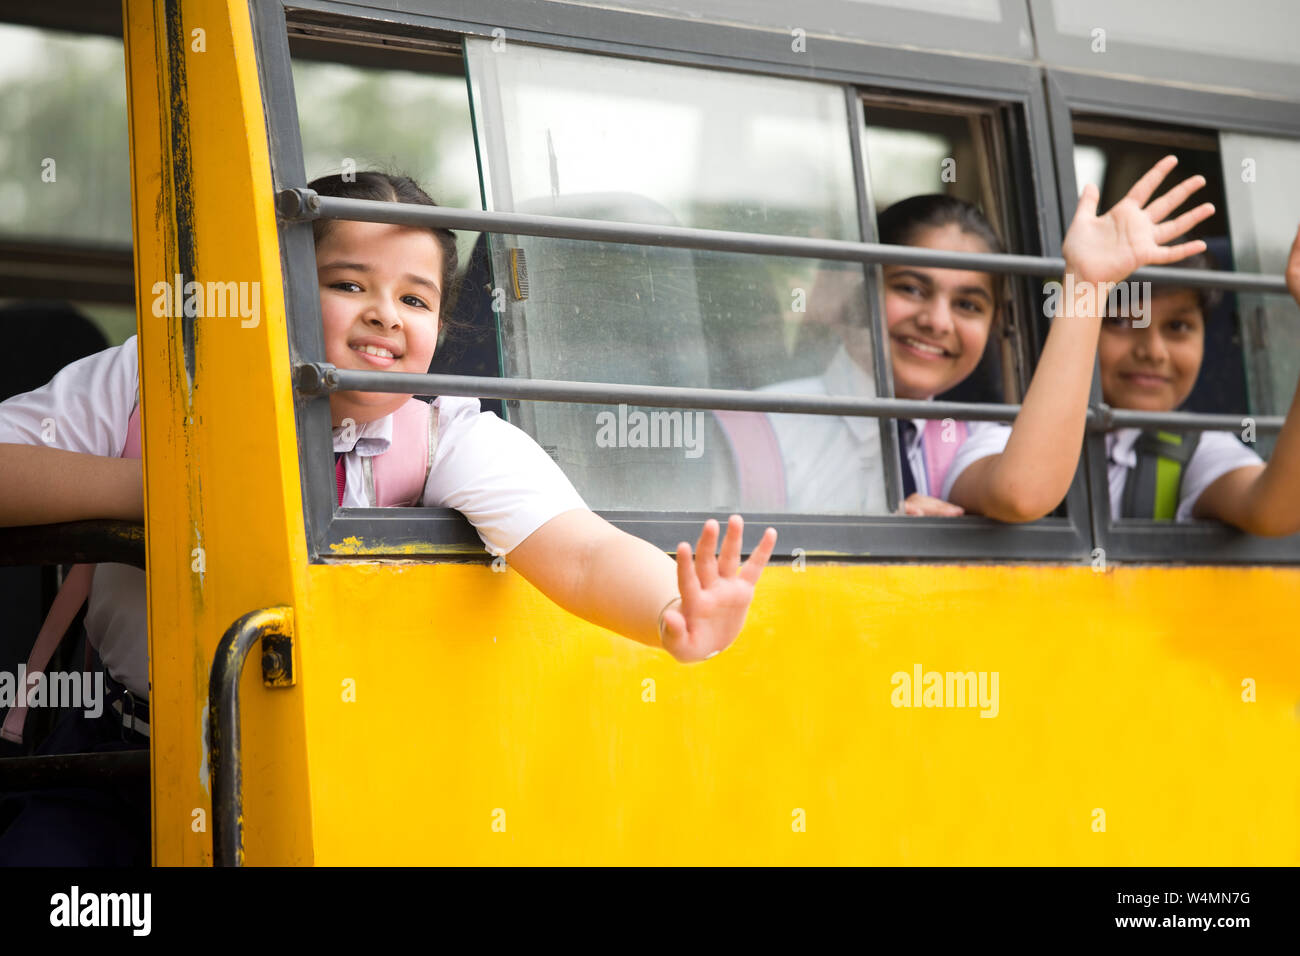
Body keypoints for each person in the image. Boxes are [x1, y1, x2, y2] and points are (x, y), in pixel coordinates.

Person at [0, 170, 777, 865]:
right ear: (283, 289)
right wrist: (169, 492)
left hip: (339, 766)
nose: (385, 315)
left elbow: (577, 550)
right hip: (122, 752)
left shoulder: (449, 435)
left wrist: (674, 609)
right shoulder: (161, 376)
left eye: (415, 298)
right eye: (348, 285)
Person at [753, 156, 1214, 521]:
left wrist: (1087, 288)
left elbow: (1022, 493)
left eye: (968, 305)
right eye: (911, 288)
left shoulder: (964, 438)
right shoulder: (763, 424)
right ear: (855, 289)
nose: (938, 321)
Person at [1098, 223, 1300, 533]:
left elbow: (1274, 510)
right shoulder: (1007, 435)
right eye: (1121, 320)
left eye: (1177, 326)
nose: (1154, 352)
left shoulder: (1199, 450)